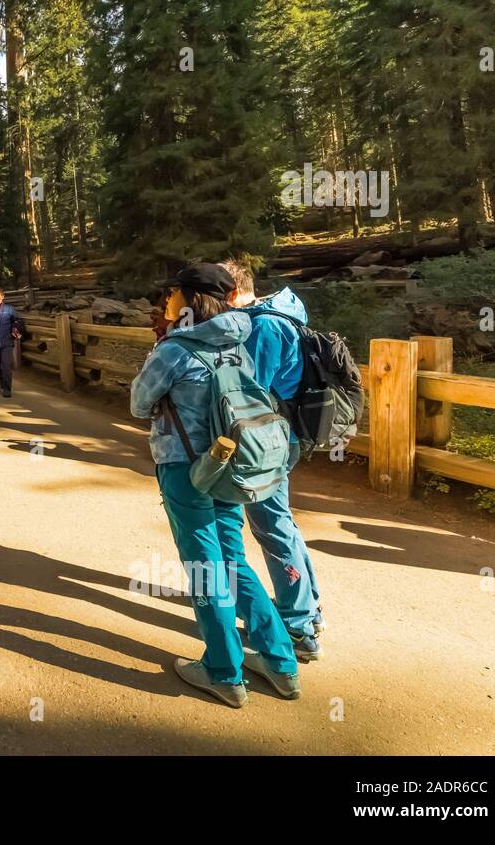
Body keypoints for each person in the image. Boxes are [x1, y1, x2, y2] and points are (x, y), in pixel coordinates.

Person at [130, 262, 299, 708]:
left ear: (189, 298)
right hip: (232, 464)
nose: (166, 300)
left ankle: (223, 671)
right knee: (233, 560)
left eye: (172, 293)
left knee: (206, 567)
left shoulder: (174, 350)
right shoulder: (242, 338)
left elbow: (137, 402)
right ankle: (280, 662)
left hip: (185, 467)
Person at [221, 259, 325, 661]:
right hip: (281, 434)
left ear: (232, 292)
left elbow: (251, 392)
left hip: (271, 440)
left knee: (272, 527)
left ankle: (297, 627)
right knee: (282, 523)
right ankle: (308, 610)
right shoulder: (276, 314)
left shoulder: (264, 326)